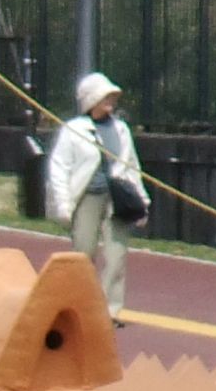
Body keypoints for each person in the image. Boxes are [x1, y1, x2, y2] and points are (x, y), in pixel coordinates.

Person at [41, 73, 142, 317]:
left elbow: (131, 165)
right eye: (105, 96)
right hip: (88, 197)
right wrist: (64, 204)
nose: (111, 101)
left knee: (116, 256)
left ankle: (110, 311)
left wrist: (142, 201)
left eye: (112, 97)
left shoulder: (121, 129)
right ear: (92, 99)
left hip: (117, 199)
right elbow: (59, 167)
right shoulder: (73, 130)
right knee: (83, 253)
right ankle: (78, 306)